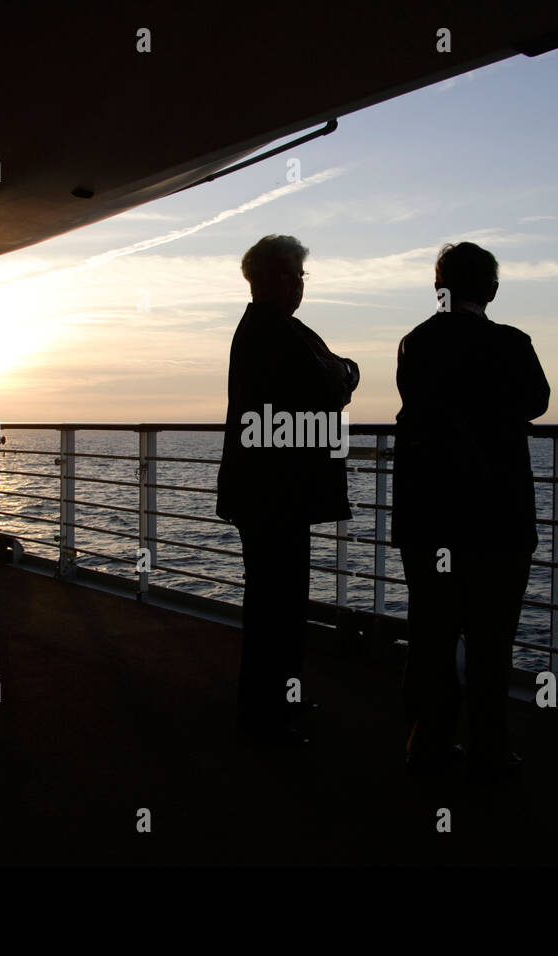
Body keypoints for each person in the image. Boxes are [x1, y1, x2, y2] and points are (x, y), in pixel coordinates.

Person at [391, 241, 550, 783]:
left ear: (440, 287)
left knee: (431, 632)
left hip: (430, 516)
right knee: (492, 640)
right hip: (499, 517)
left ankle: (426, 743)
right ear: (493, 290)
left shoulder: (415, 343)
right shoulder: (511, 343)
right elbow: (538, 400)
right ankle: (489, 748)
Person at [216, 235, 359, 747]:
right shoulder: (276, 334)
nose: (299, 285)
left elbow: (332, 376)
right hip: (276, 495)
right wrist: (342, 373)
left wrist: (338, 373)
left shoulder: (267, 331)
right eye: (292, 275)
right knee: (276, 607)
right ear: (268, 278)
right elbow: (331, 384)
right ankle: (265, 716)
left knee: (277, 604)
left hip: (269, 493)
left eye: (301, 276)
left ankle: (278, 700)